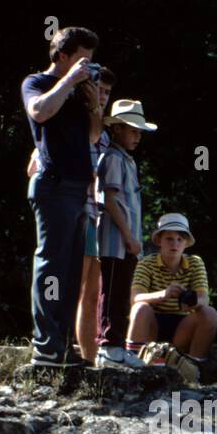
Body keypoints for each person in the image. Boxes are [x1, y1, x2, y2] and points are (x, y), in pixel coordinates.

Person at [21, 26, 105, 369]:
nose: (87, 67)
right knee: (51, 266)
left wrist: (94, 103)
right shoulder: (37, 83)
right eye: (82, 60)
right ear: (62, 56)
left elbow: (94, 135)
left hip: (78, 188)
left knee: (71, 271)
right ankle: (46, 345)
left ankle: (63, 345)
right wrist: (69, 81)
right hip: (52, 187)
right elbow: (39, 112)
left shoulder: (77, 91)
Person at [31, 68, 118, 364]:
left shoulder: (100, 133)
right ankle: (57, 344)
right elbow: (34, 165)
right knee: (71, 281)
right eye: (99, 89)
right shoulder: (66, 126)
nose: (102, 96)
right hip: (72, 207)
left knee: (91, 290)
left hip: (91, 215)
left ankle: (86, 357)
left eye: (107, 92)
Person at [94, 100, 157, 369]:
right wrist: (129, 236)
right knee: (110, 292)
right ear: (117, 129)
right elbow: (109, 199)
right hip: (113, 240)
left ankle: (118, 345)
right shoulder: (112, 158)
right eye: (132, 130)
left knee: (121, 294)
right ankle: (107, 345)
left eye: (139, 131)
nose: (137, 136)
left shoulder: (126, 160)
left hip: (126, 242)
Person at [126, 213, 216, 385]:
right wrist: (163, 294)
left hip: (182, 325)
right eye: (169, 239)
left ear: (185, 243)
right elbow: (135, 298)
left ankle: (195, 371)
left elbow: (204, 298)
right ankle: (133, 367)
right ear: (160, 241)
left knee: (209, 313)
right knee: (140, 308)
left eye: (179, 239)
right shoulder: (146, 263)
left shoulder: (195, 263)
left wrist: (192, 301)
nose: (174, 244)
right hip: (152, 323)